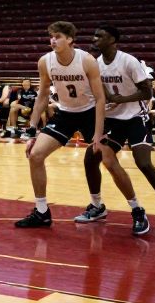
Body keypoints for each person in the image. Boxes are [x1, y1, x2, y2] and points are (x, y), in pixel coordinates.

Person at [73, 26, 155, 235]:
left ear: (113, 40)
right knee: (90, 157)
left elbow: (147, 92)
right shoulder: (96, 65)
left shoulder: (128, 61)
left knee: (143, 163)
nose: (95, 38)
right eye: (94, 35)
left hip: (135, 118)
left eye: (100, 36)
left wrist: (121, 99)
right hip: (113, 121)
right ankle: (97, 206)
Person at [15, 21, 106, 229]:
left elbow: (101, 98)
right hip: (65, 113)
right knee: (35, 155)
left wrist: (99, 133)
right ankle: (41, 212)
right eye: (51, 36)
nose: (53, 40)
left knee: (105, 160)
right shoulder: (45, 62)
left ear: (70, 39)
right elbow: (43, 95)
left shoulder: (87, 60)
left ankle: (110, 206)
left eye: (57, 37)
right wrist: (32, 130)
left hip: (90, 112)